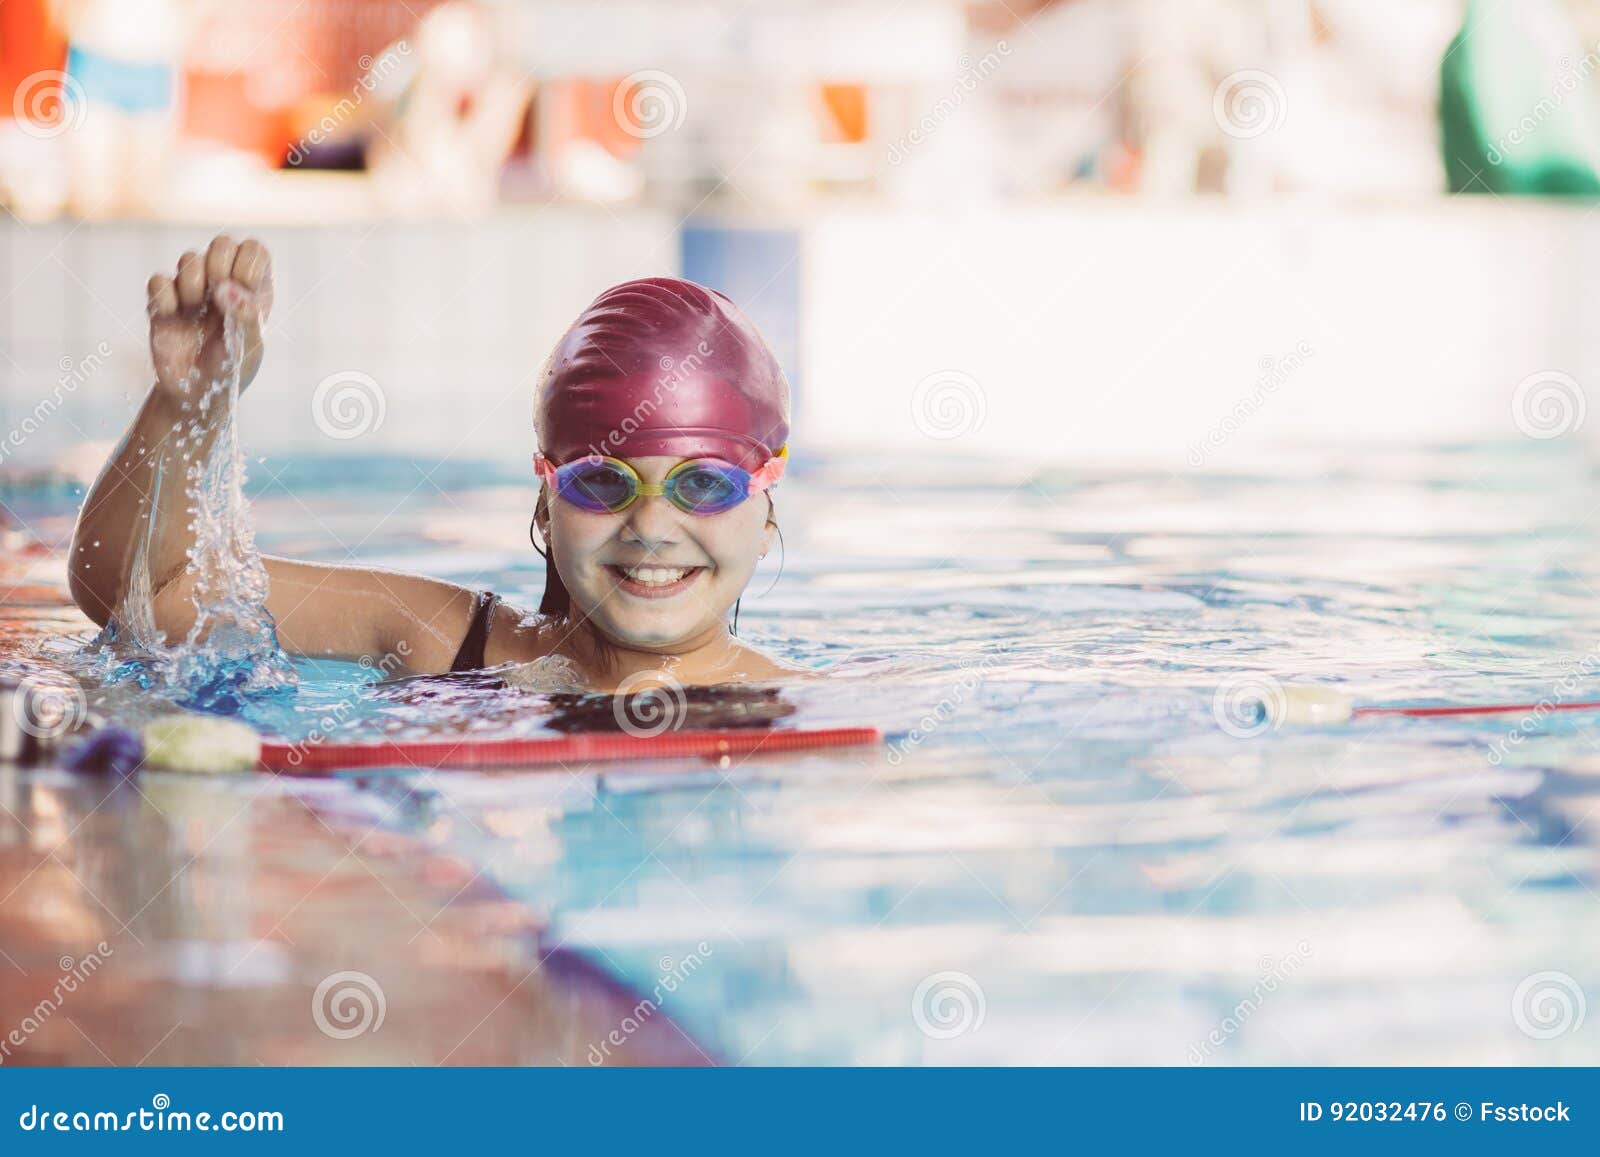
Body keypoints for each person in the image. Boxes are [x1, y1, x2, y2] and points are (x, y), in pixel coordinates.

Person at [67, 235, 808, 692]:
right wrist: (188, 407)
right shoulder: (449, 641)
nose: (650, 526)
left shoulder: (811, 719)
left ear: (767, 505)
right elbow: (137, 599)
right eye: (602, 482)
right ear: (547, 504)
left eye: (704, 483)